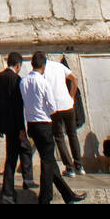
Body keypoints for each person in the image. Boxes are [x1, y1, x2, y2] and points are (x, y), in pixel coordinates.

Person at [21, 52, 85, 205]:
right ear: (43, 65)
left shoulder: (23, 81)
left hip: (31, 125)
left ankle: (68, 195)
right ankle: (45, 198)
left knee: (50, 161)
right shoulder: (43, 83)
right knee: (48, 162)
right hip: (44, 123)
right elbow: (51, 107)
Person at [0, 51, 34, 202]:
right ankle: (8, 193)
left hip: (4, 124)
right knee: (14, 156)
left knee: (23, 149)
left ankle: (27, 181)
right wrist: (22, 129)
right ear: (18, 65)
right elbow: (17, 106)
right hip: (15, 124)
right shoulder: (17, 80)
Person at [45, 53, 84, 176]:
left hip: (55, 107)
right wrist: (71, 96)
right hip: (68, 105)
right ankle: (79, 165)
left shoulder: (42, 71)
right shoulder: (59, 66)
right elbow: (74, 78)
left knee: (59, 136)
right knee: (72, 134)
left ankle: (69, 167)